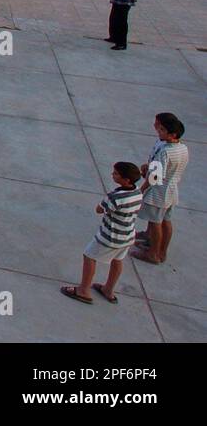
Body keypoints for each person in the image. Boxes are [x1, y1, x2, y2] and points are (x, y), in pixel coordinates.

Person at [61, 162, 143, 305]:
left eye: (116, 173)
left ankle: (83, 290)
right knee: (117, 261)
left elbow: (99, 209)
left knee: (89, 256)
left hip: (110, 237)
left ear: (126, 180)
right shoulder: (138, 193)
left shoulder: (115, 197)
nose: (112, 174)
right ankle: (109, 289)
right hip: (127, 236)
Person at [133, 113, 188, 265]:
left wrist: (141, 190)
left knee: (156, 221)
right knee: (165, 220)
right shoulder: (182, 148)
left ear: (172, 134)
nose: (158, 131)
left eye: (162, 129)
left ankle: (153, 254)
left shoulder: (165, 151)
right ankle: (157, 247)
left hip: (158, 192)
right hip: (171, 190)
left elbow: (155, 178)